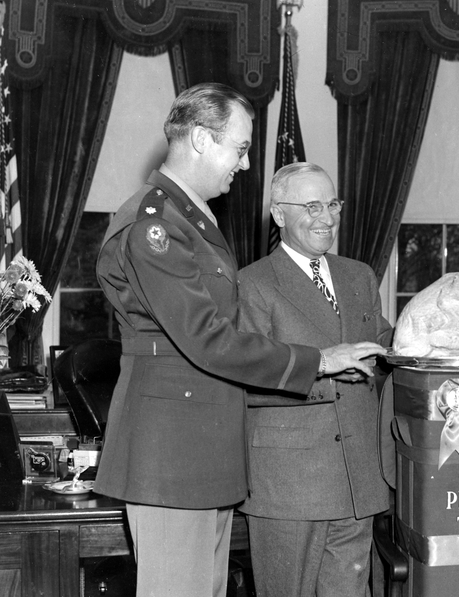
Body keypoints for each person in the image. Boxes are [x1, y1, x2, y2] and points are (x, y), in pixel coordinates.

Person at [94, 84, 384, 597]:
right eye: (241, 148)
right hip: (172, 453)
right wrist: (320, 360)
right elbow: (208, 338)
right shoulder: (156, 224)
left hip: (203, 448)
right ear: (202, 140)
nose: (246, 164)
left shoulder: (191, 218)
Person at [236, 162, 394, 597]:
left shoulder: (359, 275)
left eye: (332, 204)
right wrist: (326, 372)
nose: (326, 218)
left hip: (358, 480)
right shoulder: (251, 283)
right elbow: (244, 382)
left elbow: (384, 348)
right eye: (311, 206)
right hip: (290, 486)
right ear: (279, 214)